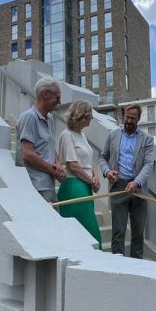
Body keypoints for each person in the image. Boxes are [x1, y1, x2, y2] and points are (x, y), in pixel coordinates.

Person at [99, 104, 154, 258]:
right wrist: (107, 171)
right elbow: (103, 157)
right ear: (124, 116)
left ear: (139, 119)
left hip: (138, 189)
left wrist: (136, 182)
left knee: (137, 234)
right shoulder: (113, 135)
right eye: (127, 117)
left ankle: (137, 269)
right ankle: (118, 267)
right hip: (119, 187)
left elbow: (149, 164)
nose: (129, 121)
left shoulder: (147, 139)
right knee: (118, 232)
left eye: (133, 118)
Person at [56, 100, 102, 247]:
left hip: (85, 187)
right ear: (82, 116)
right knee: (90, 232)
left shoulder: (81, 135)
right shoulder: (66, 135)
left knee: (87, 231)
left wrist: (95, 177)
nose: (92, 118)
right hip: (74, 187)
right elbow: (73, 166)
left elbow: (88, 162)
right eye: (90, 115)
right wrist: (90, 180)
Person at [17, 77, 66, 202]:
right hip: (36, 187)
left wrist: (59, 164)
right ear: (45, 94)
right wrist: (54, 171)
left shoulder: (49, 118)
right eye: (58, 97)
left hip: (48, 186)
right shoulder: (29, 117)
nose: (59, 102)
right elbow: (27, 154)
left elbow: (49, 146)